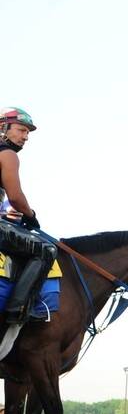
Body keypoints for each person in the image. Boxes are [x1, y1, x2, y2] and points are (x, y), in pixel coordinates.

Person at [0, 108, 57, 325]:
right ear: (3, 127)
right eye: (21, 130)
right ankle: (19, 310)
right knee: (46, 250)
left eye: (28, 133)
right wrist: (30, 214)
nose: (25, 137)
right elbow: (15, 196)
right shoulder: (7, 154)